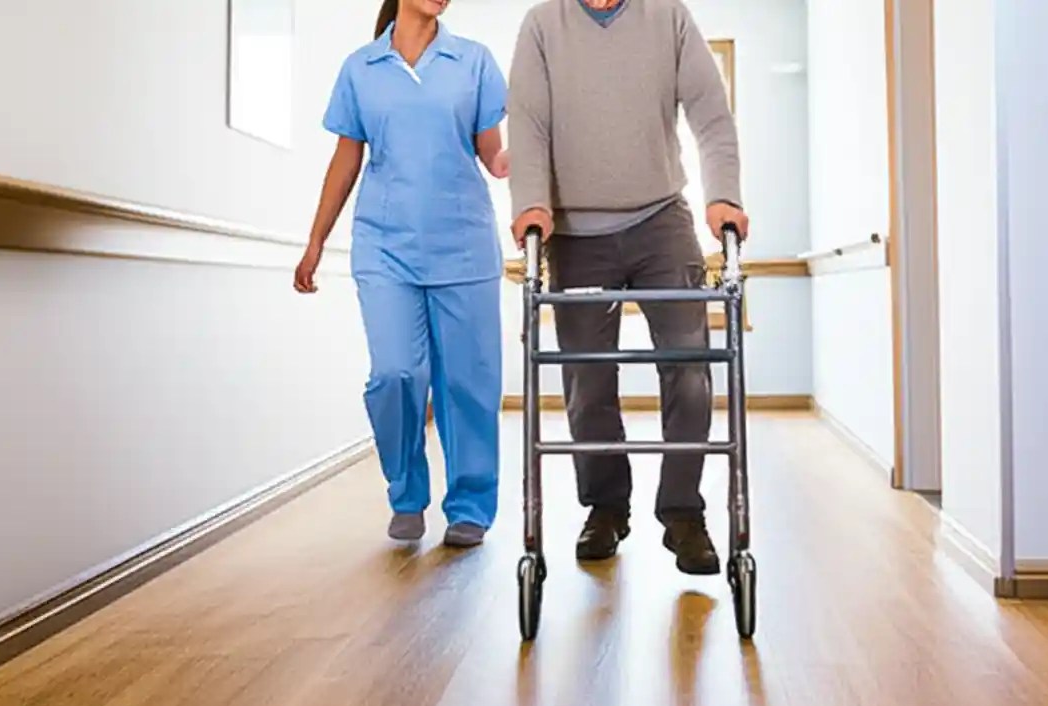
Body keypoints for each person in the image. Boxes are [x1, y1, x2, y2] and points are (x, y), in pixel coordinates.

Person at [507, 0, 750, 575]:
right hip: (574, 228)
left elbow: (710, 113)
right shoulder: (544, 24)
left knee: (690, 366)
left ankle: (684, 513)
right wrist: (531, 203)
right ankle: (607, 506)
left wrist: (725, 195)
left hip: (661, 219)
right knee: (587, 382)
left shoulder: (667, 15)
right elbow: (528, 122)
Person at [295, 0, 510, 548]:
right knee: (395, 374)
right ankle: (406, 493)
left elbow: (494, 155)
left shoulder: (473, 61)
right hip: (386, 245)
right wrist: (316, 240)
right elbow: (346, 160)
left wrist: (545, 150)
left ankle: (470, 507)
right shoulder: (361, 68)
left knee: (467, 383)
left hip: (463, 244)